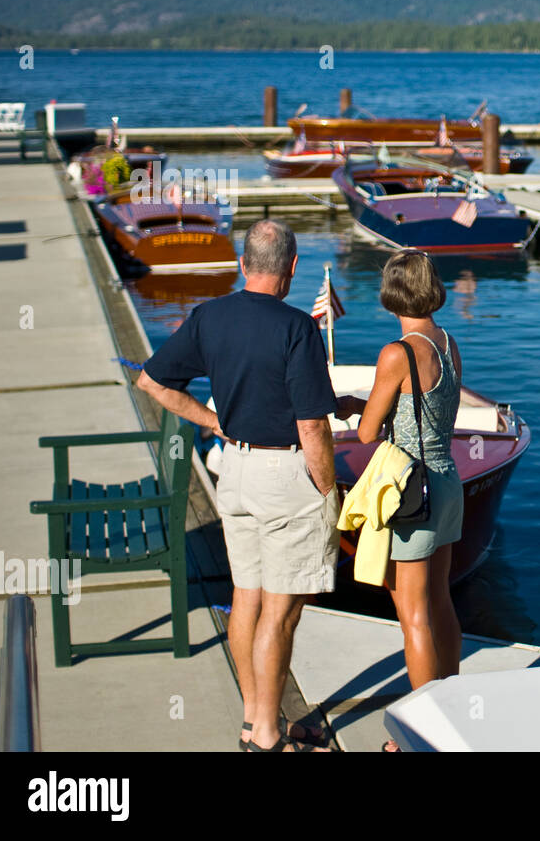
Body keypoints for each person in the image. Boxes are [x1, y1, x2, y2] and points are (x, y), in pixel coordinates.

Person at [138, 219, 339, 753]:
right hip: (286, 476)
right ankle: (269, 733)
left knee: (246, 598)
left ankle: (256, 720)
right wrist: (327, 487)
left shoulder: (209, 316)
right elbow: (313, 425)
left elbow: (151, 381)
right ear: (292, 268)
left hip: (236, 471)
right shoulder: (298, 328)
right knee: (282, 610)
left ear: (243, 265)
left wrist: (209, 419)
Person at [335, 249, 464, 753]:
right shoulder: (448, 343)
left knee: (411, 614)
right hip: (447, 481)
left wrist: (359, 410)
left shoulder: (397, 351)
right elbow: (426, 406)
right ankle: (450, 708)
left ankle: (421, 734)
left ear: (391, 293)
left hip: (412, 493)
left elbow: (369, 432)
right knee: (440, 601)